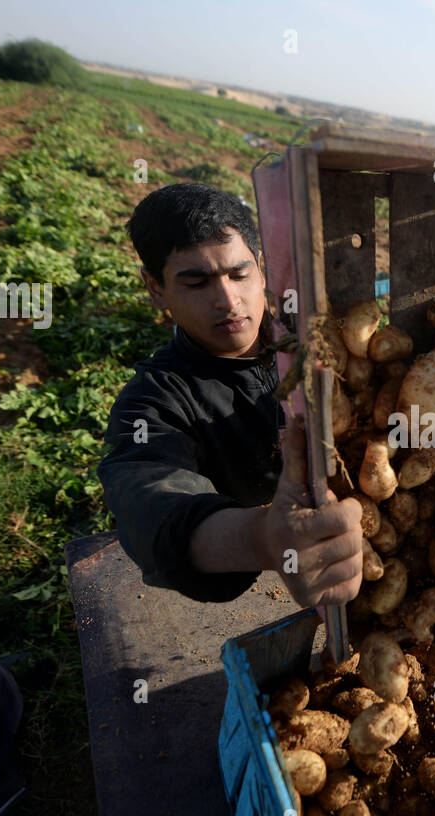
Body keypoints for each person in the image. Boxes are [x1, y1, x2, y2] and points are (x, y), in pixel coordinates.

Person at [98, 183, 362, 608]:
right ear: (155, 287)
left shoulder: (321, 342)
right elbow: (149, 504)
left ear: (260, 266)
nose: (229, 300)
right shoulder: (154, 401)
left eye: (240, 274)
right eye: (197, 282)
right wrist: (262, 538)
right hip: (264, 581)